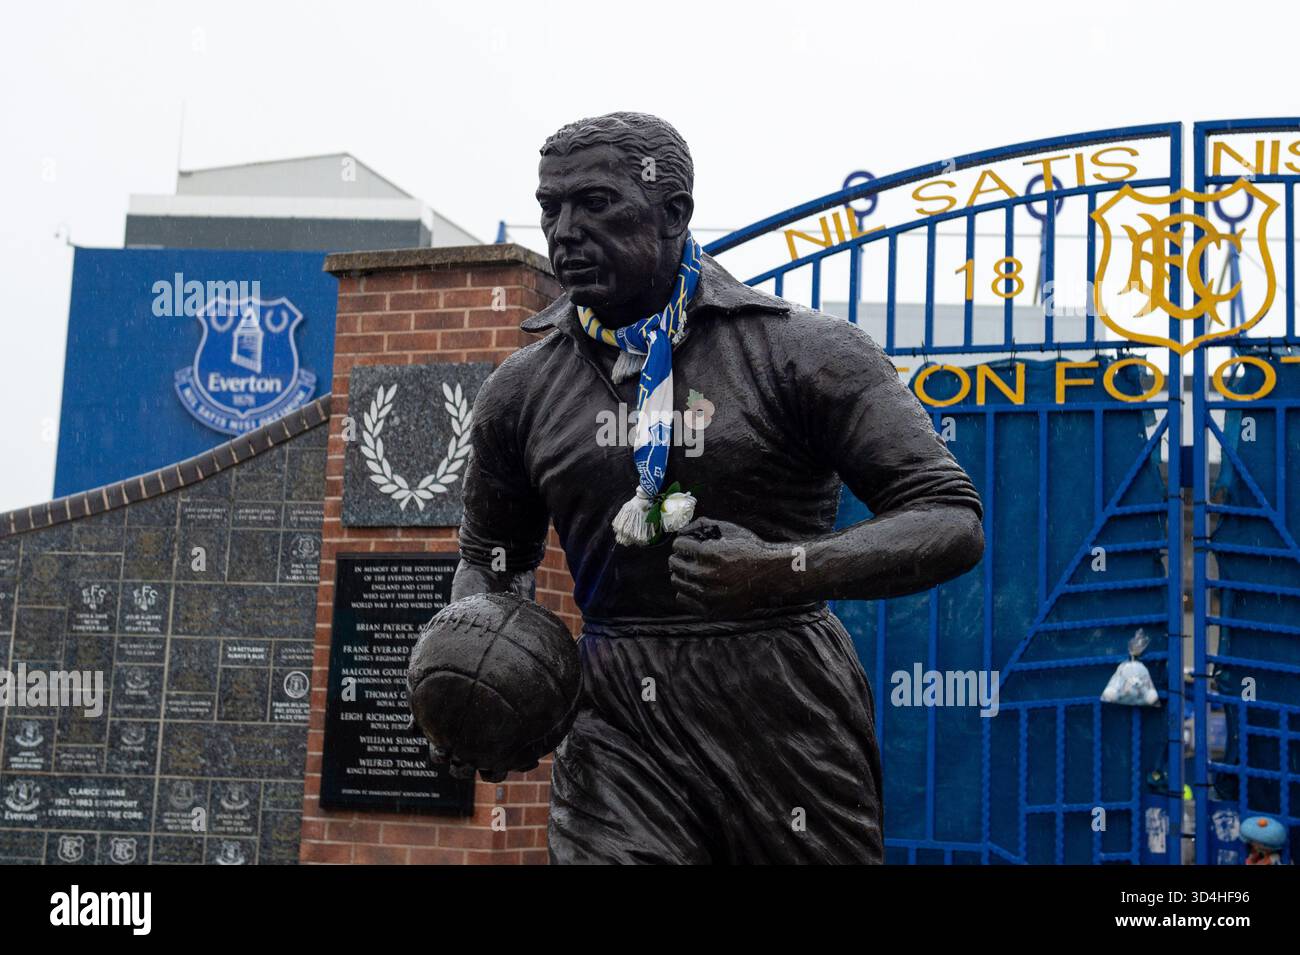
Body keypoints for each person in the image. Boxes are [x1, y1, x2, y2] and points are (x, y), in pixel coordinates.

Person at [446, 111, 984, 863]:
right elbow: (491, 563)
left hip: (783, 707)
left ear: (674, 213)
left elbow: (951, 518)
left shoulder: (805, 352)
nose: (564, 230)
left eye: (595, 204)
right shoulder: (521, 390)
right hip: (615, 722)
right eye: (550, 208)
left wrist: (782, 568)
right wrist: (469, 685)